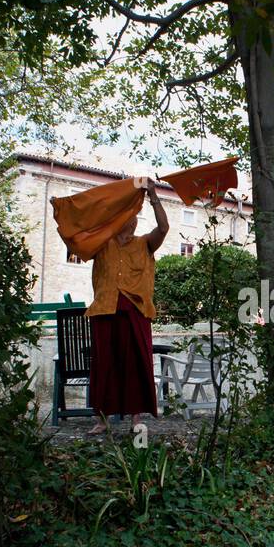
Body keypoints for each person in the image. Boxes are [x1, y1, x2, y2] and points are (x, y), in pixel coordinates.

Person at [87, 178, 168, 434]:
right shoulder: (101, 244)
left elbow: (164, 227)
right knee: (104, 364)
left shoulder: (144, 243)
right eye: (128, 216)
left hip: (136, 311)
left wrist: (153, 195)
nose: (132, 221)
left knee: (136, 363)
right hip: (104, 309)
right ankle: (102, 420)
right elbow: (76, 236)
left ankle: (136, 418)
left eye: (134, 217)